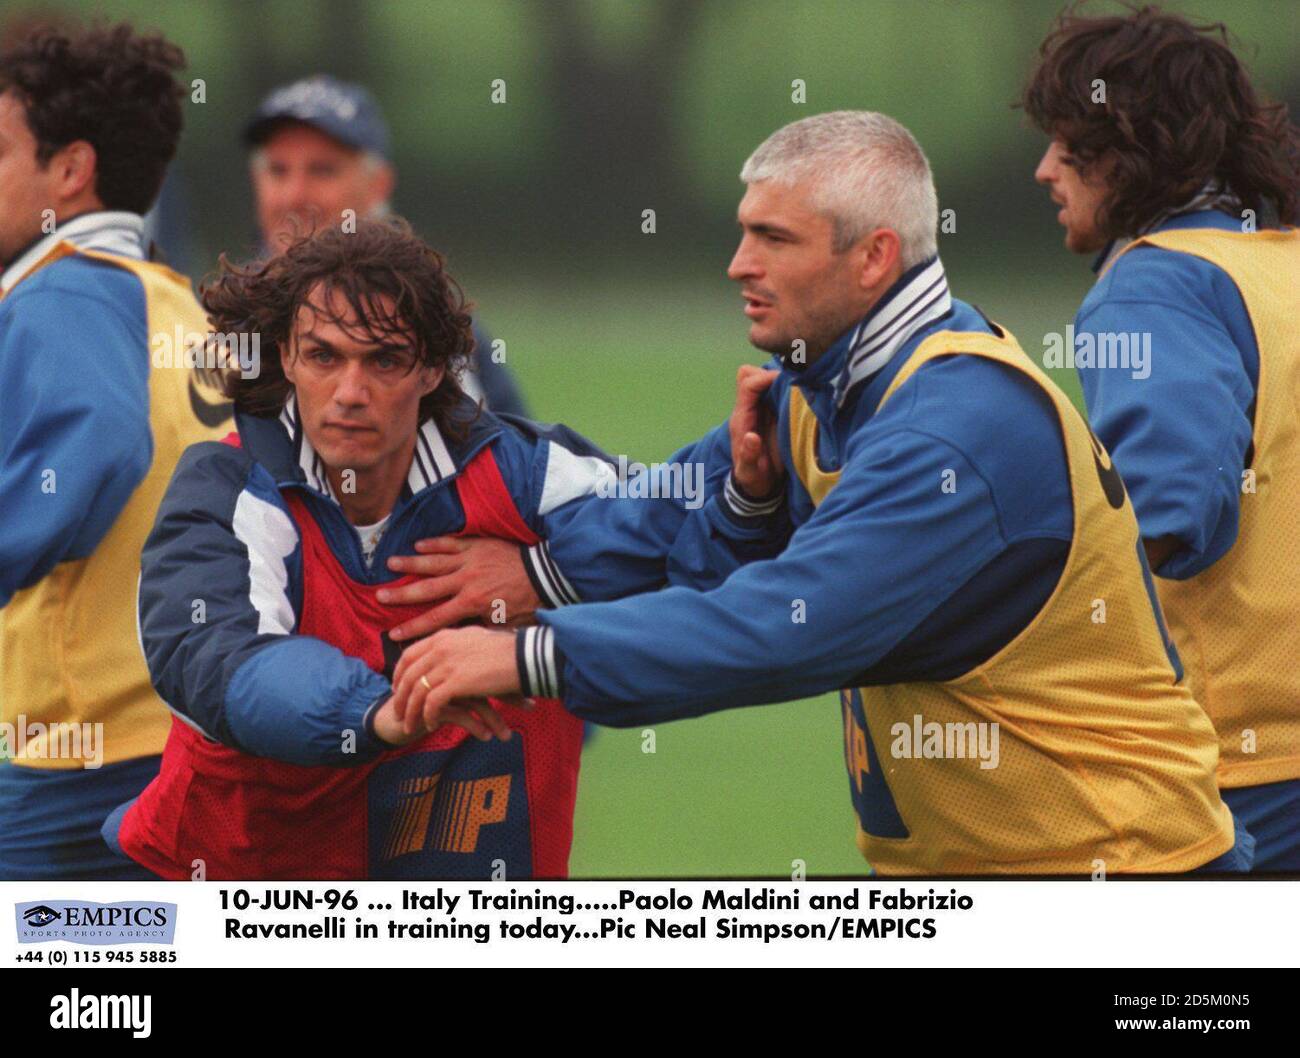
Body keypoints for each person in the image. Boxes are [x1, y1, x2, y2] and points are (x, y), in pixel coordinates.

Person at [379, 111, 1252, 875]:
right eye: (742, 231)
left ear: (874, 257)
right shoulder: (818, 386)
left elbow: (791, 624)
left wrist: (533, 653)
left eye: (774, 239)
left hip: (1121, 876)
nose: (737, 264)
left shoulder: (956, 428)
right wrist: (543, 572)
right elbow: (673, 505)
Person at [105, 218, 657, 879]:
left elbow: (697, 526)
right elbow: (216, 663)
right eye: (324, 356)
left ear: (430, 369)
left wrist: (543, 575)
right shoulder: (226, 493)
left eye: (384, 360)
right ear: (284, 356)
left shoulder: (523, 478)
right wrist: (376, 709)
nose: (350, 394)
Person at [1023, 6, 1299, 869]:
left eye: (1070, 145)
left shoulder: (1153, 285)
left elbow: (1166, 520)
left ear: (1131, 149)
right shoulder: (1281, 262)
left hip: (1250, 767)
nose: (1043, 170)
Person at [0, 21, 232, 880]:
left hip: (76, 764)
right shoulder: (184, 307)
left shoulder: (57, 292)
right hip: (190, 739)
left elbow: (97, 440)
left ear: (71, 171)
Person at [244, 74, 529, 417]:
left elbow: (501, 458)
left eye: (322, 171)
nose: (294, 195)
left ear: (378, 185)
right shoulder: (205, 324)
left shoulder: (430, 321)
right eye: (278, 171)